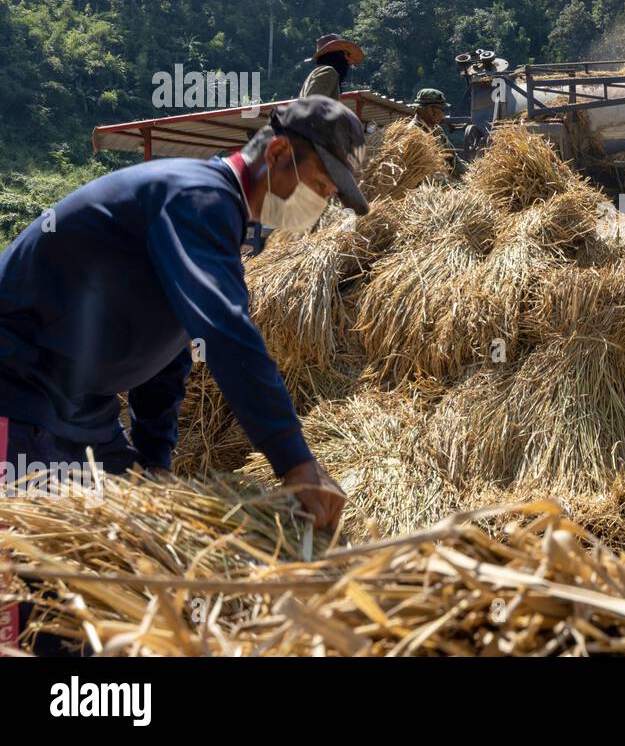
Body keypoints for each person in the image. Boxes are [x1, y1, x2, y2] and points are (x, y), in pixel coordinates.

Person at [0, 95, 367, 529]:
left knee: (142, 542)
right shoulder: (198, 197)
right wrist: (294, 460)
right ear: (278, 153)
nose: (320, 203)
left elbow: (172, 348)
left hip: (84, 409)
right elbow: (223, 331)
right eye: (321, 186)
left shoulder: (219, 217)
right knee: (34, 577)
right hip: (20, 391)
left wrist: (156, 460)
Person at [410, 87, 466, 177]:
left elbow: (453, 158)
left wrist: (470, 176)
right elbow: (423, 171)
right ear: (429, 110)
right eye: (441, 109)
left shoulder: (437, 130)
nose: (443, 114)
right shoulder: (412, 133)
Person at [300, 34, 364, 100]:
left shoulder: (316, 73)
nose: (348, 60)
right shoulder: (328, 72)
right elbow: (314, 103)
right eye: (346, 54)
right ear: (337, 55)